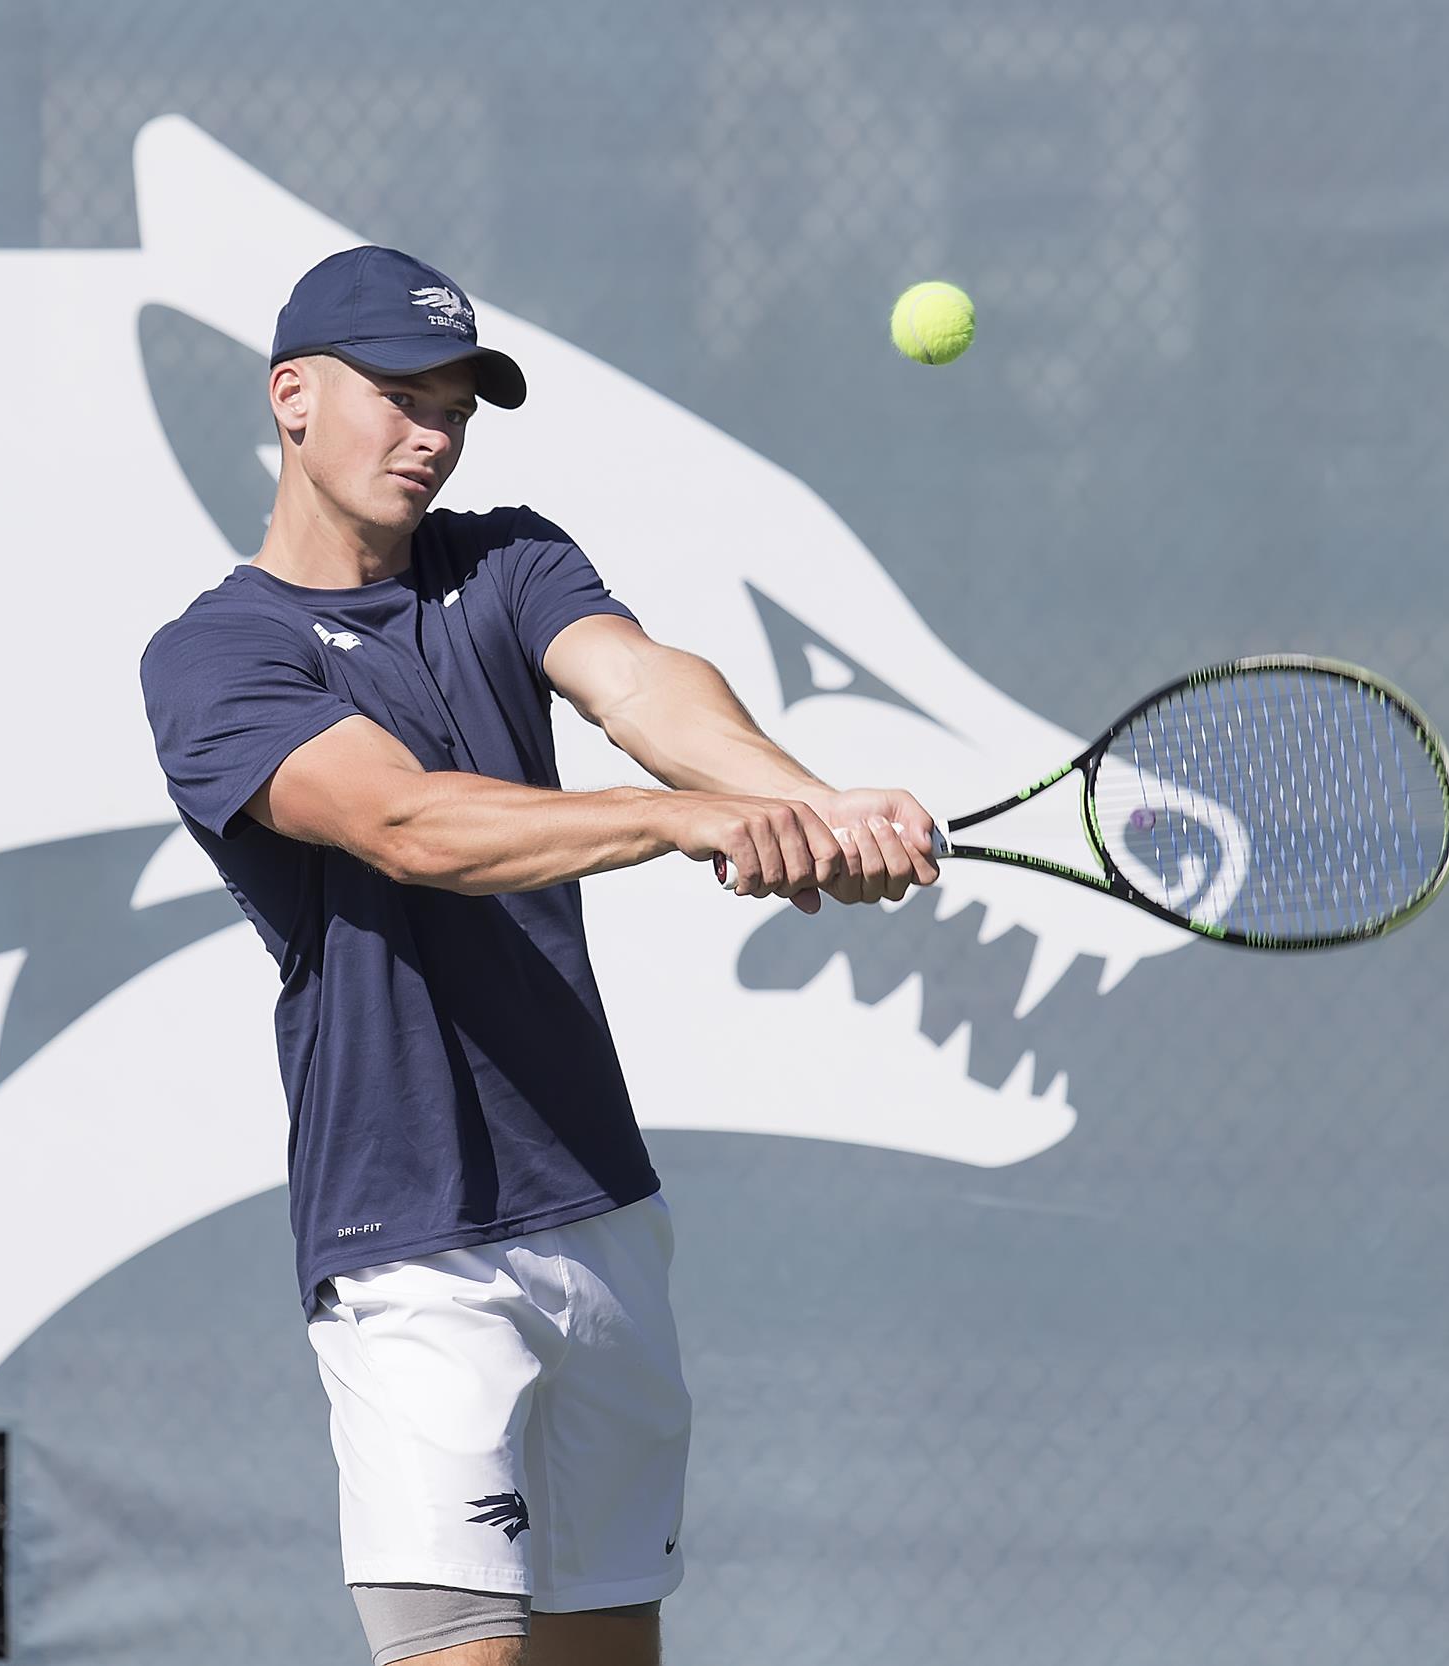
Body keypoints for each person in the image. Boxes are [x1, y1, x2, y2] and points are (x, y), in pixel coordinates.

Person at [137, 246, 940, 1666]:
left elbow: (646, 686)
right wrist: (685, 819)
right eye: (399, 397)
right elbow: (406, 824)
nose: (432, 436)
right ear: (292, 396)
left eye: (454, 408)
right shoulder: (215, 656)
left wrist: (802, 804)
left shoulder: (507, 561)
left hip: (601, 1213)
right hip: (412, 1246)